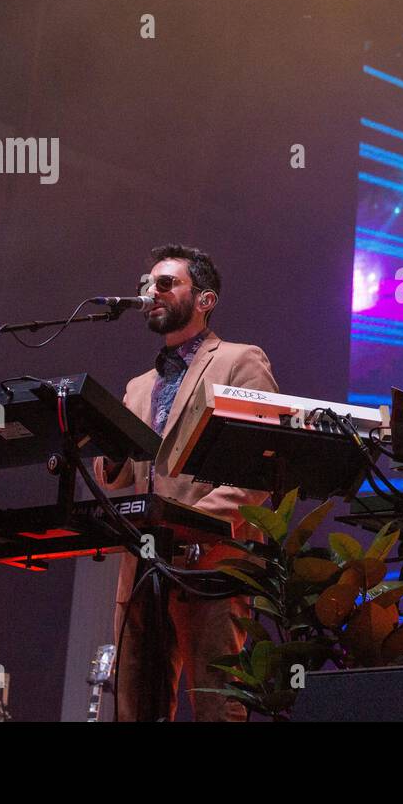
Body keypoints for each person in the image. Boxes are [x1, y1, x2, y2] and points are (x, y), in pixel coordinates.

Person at [95, 244, 278, 720]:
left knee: (216, 704)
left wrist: (190, 524)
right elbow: (119, 479)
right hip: (142, 568)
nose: (151, 292)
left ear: (205, 300)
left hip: (210, 563)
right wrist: (106, 447)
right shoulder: (137, 386)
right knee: (134, 708)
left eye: (166, 283)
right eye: (147, 284)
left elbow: (260, 469)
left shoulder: (241, 360)